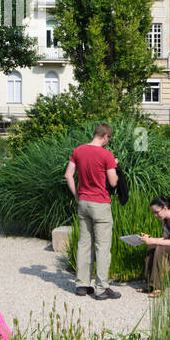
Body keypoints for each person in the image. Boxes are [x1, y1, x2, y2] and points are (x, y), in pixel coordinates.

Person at [63, 122, 121, 300]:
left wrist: (77, 195)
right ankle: (101, 288)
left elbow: (68, 175)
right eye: (108, 140)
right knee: (103, 246)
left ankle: (82, 285)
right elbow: (113, 182)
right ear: (105, 137)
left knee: (84, 243)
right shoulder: (106, 154)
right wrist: (115, 167)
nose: (107, 142)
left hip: (83, 202)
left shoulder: (78, 151)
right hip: (100, 204)